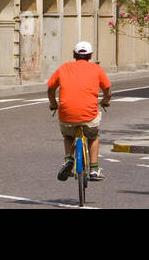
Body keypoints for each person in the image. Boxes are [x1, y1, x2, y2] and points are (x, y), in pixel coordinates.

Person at [48, 40, 112, 182]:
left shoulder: (64, 68)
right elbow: (107, 89)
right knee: (93, 136)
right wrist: (105, 101)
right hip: (88, 116)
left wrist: (53, 104)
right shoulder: (97, 69)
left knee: (68, 135)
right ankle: (94, 169)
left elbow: (51, 88)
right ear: (90, 56)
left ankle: (68, 159)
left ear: (74, 55)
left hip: (67, 114)